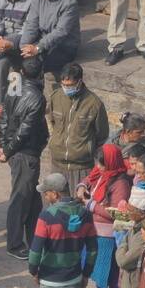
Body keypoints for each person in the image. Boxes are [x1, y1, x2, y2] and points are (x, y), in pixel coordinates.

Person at [0, 56, 47, 259]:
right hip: (24, 152)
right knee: (20, 199)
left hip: (14, 148)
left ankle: (36, 239)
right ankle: (15, 244)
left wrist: (3, 145)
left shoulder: (16, 84)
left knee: (33, 198)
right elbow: (24, 131)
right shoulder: (37, 98)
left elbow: (4, 118)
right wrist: (7, 150)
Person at [77, 144, 131, 288]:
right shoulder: (102, 173)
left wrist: (90, 205)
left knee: (110, 272)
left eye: (101, 164)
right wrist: (82, 186)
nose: (98, 167)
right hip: (94, 230)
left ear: (109, 163)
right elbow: (89, 178)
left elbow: (117, 213)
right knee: (97, 267)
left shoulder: (120, 183)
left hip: (109, 234)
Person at [45, 63, 109, 193]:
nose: (66, 88)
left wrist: (86, 149)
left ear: (79, 81)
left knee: (79, 206)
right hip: (57, 164)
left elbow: (101, 134)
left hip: (81, 167)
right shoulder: (55, 97)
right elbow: (50, 121)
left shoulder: (94, 103)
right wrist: (54, 141)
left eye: (70, 85)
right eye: (63, 85)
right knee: (56, 207)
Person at [19, 0, 80, 74]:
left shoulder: (69, 3)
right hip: (43, 39)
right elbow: (31, 24)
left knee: (37, 66)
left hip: (63, 45)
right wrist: (24, 46)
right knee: (25, 61)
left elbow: (61, 32)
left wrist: (38, 48)